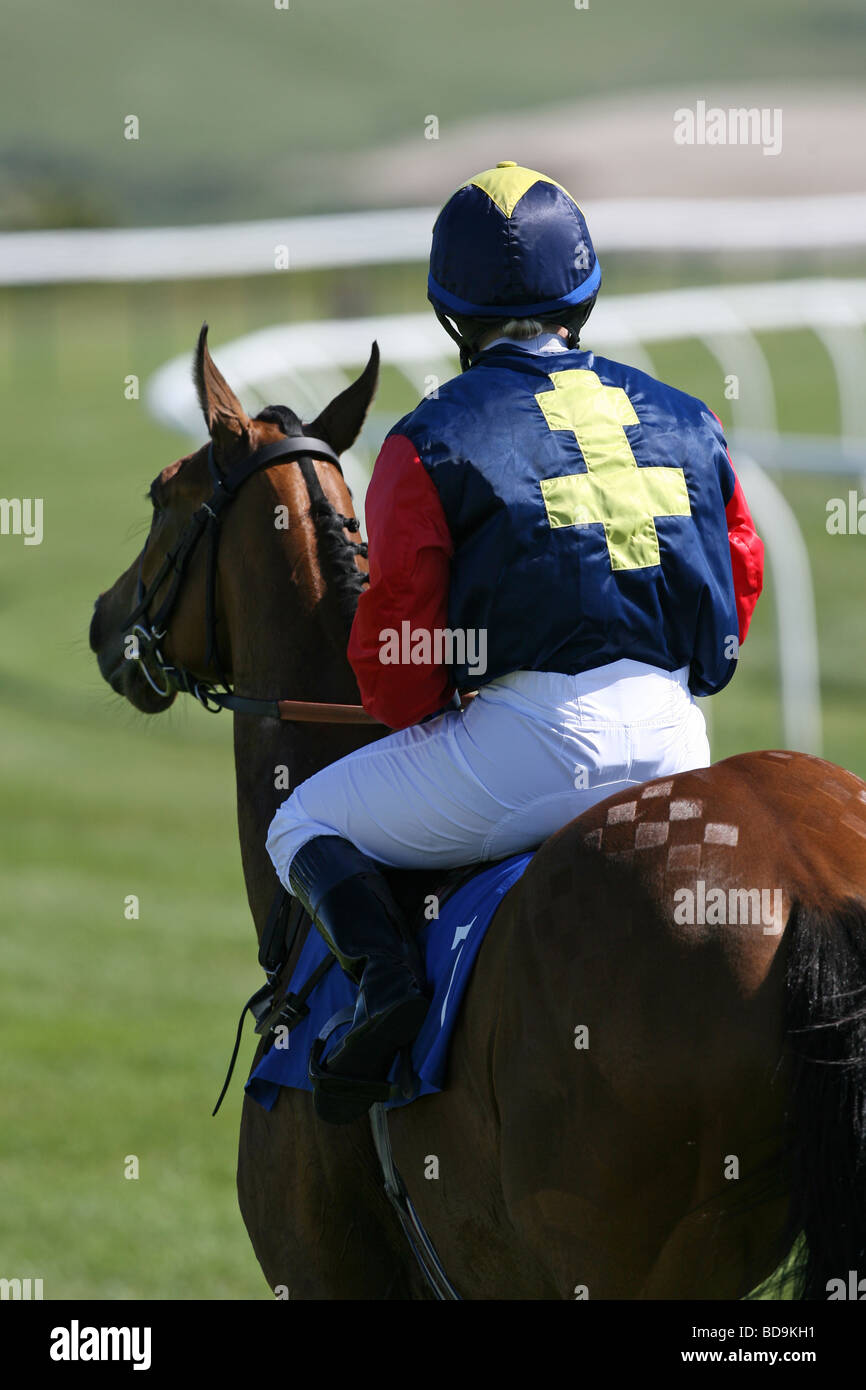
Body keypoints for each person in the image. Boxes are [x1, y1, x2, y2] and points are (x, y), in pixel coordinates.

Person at [266, 162, 764, 1123]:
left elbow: (399, 659)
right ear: (584, 293)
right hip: (680, 739)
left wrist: (427, 698)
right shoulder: (687, 416)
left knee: (301, 822)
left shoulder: (427, 438)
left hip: (533, 749)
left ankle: (385, 997)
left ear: (453, 313)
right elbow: (735, 587)